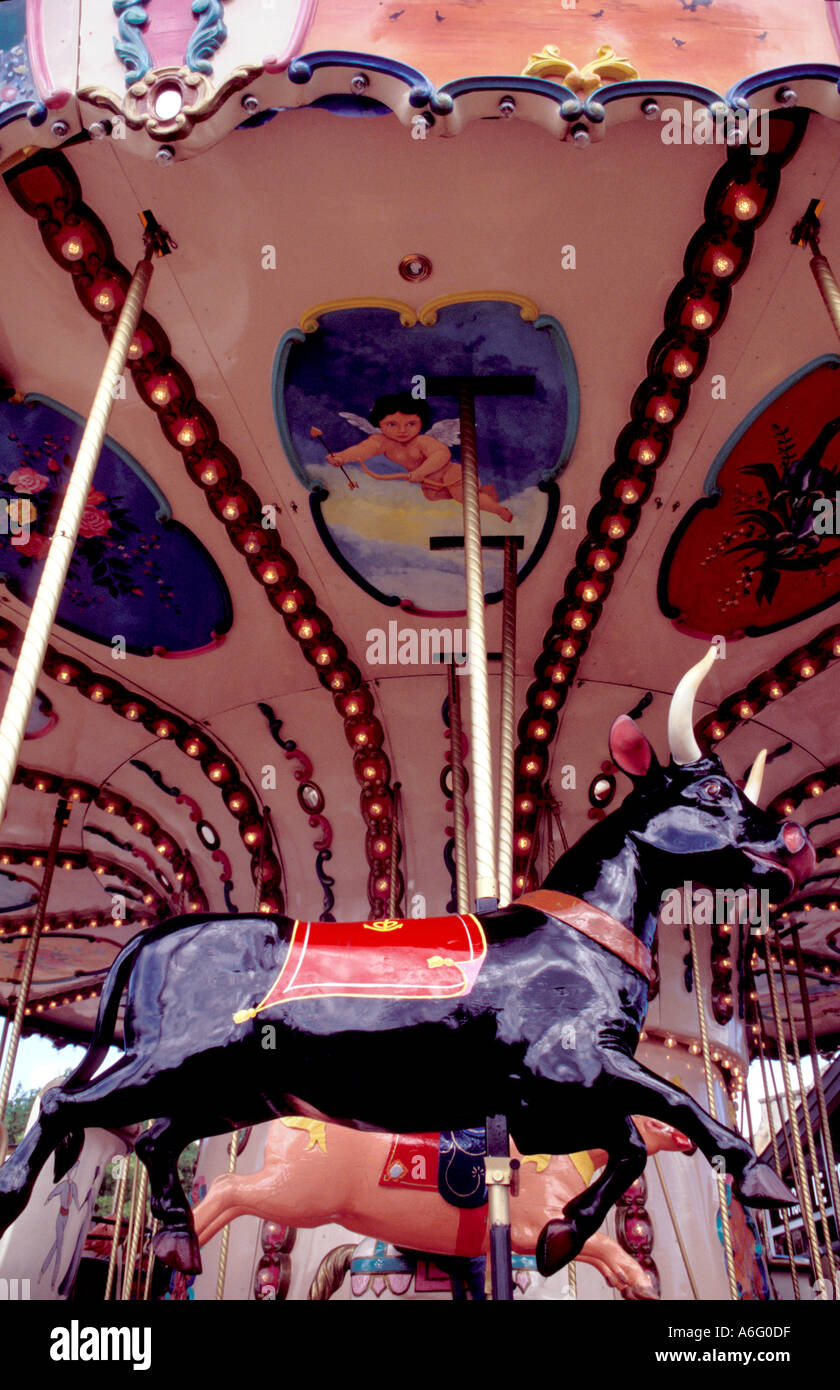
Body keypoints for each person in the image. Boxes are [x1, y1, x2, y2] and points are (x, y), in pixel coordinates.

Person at [327, 392, 513, 522]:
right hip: (429, 483)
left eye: (411, 424)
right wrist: (341, 457)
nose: (402, 430)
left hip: (452, 474)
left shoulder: (422, 441)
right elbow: (363, 450)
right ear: (380, 424)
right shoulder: (381, 441)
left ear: (421, 423)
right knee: (433, 497)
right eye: (392, 424)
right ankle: (486, 493)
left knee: (462, 495)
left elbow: (442, 454)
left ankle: (499, 510)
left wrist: (421, 471)